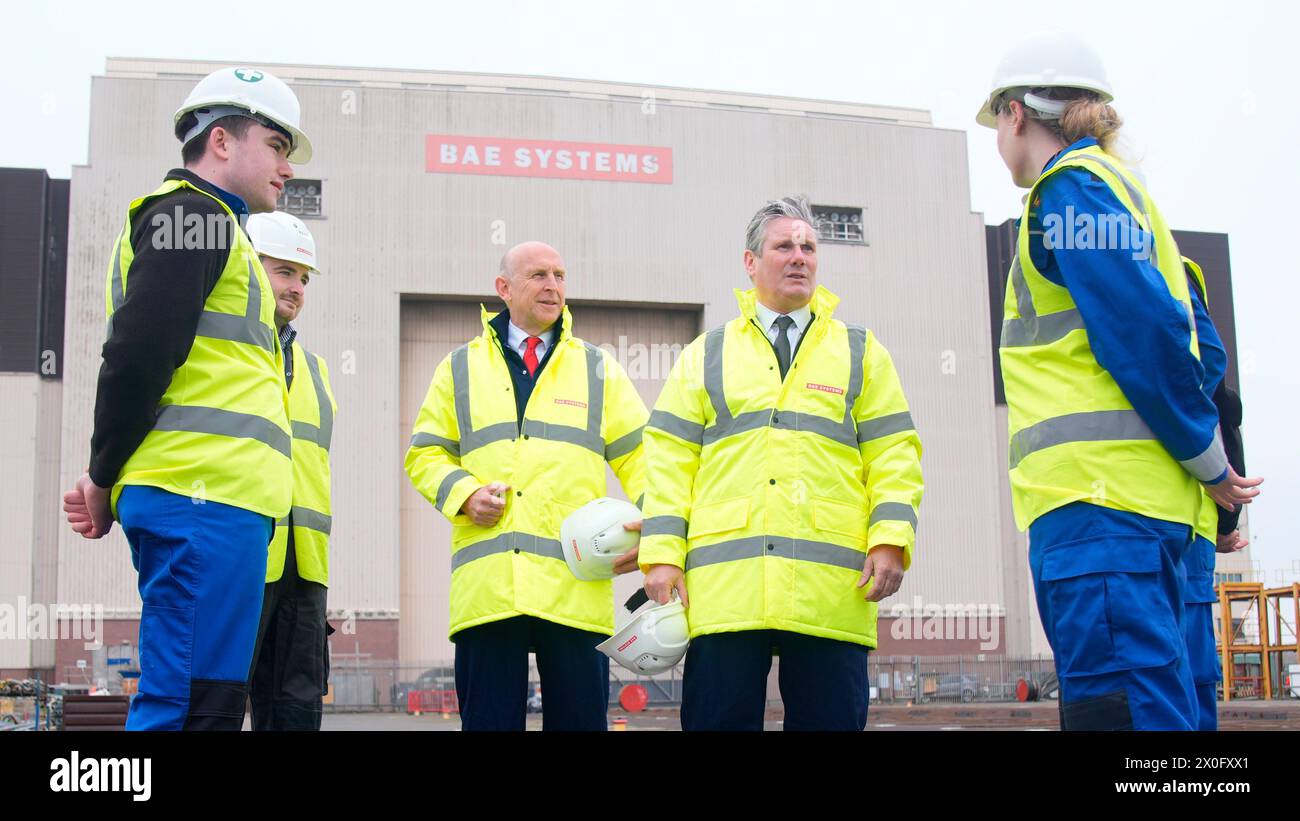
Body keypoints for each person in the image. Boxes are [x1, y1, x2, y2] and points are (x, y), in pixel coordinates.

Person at [978, 33, 1262, 730]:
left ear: (1016, 114)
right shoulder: (1133, 202)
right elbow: (1205, 350)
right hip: (1169, 520)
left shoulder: (1069, 190)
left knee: (1125, 720)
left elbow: (1144, 333)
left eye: (996, 126)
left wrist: (1210, 463)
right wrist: (1220, 490)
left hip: (1102, 519)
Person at [61, 66, 312, 730]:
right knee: (184, 704)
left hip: (218, 505)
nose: (287, 166)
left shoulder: (218, 230)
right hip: (197, 499)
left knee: (210, 703)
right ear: (223, 141)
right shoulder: (193, 216)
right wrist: (103, 471)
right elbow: (139, 353)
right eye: (278, 144)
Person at [639, 195, 924, 731]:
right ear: (751, 263)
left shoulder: (860, 352)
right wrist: (661, 556)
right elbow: (668, 460)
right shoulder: (708, 353)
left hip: (831, 590)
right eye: (784, 246)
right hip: (727, 592)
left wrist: (890, 540)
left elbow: (895, 453)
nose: (800, 256)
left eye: (809, 247)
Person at [404, 241, 648, 731]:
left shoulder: (598, 369)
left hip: (575, 587)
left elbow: (646, 460)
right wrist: (464, 493)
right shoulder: (459, 369)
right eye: (538, 275)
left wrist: (657, 534)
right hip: (491, 590)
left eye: (560, 275)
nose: (553, 285)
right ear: (504, 289)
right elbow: (424, 453)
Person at [245, 211, 337, 731]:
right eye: (284, 271)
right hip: (240, 552)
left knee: (296, 714)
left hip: (304, 570)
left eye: (303, 277)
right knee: (213, 700)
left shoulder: (316, 368)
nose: (297, 287)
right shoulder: (219, 349)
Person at [1182, 256, 1249, 731]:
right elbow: (1218, 400)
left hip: (1133, 512)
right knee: (1193, 673)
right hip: (1193, 522)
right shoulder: (1179, 266)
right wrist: (1227, 519)